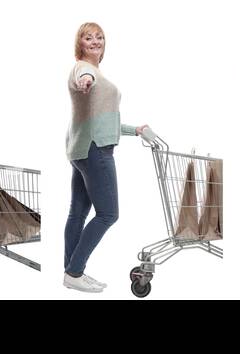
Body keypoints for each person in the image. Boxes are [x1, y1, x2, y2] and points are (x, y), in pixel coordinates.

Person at [63, 22, 148, 293]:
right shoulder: (83, 69)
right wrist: (86, 80)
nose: (95, 41)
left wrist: (135, 130)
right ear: (80, 43)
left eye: (99, 37)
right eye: (88, 37)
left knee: (78, 213)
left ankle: (71, 272)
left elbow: (104, 121)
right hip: (95, 150)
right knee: (109, 214)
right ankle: (75, 271)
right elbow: (83, 77)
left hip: (82, 149)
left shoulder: (97, 72)